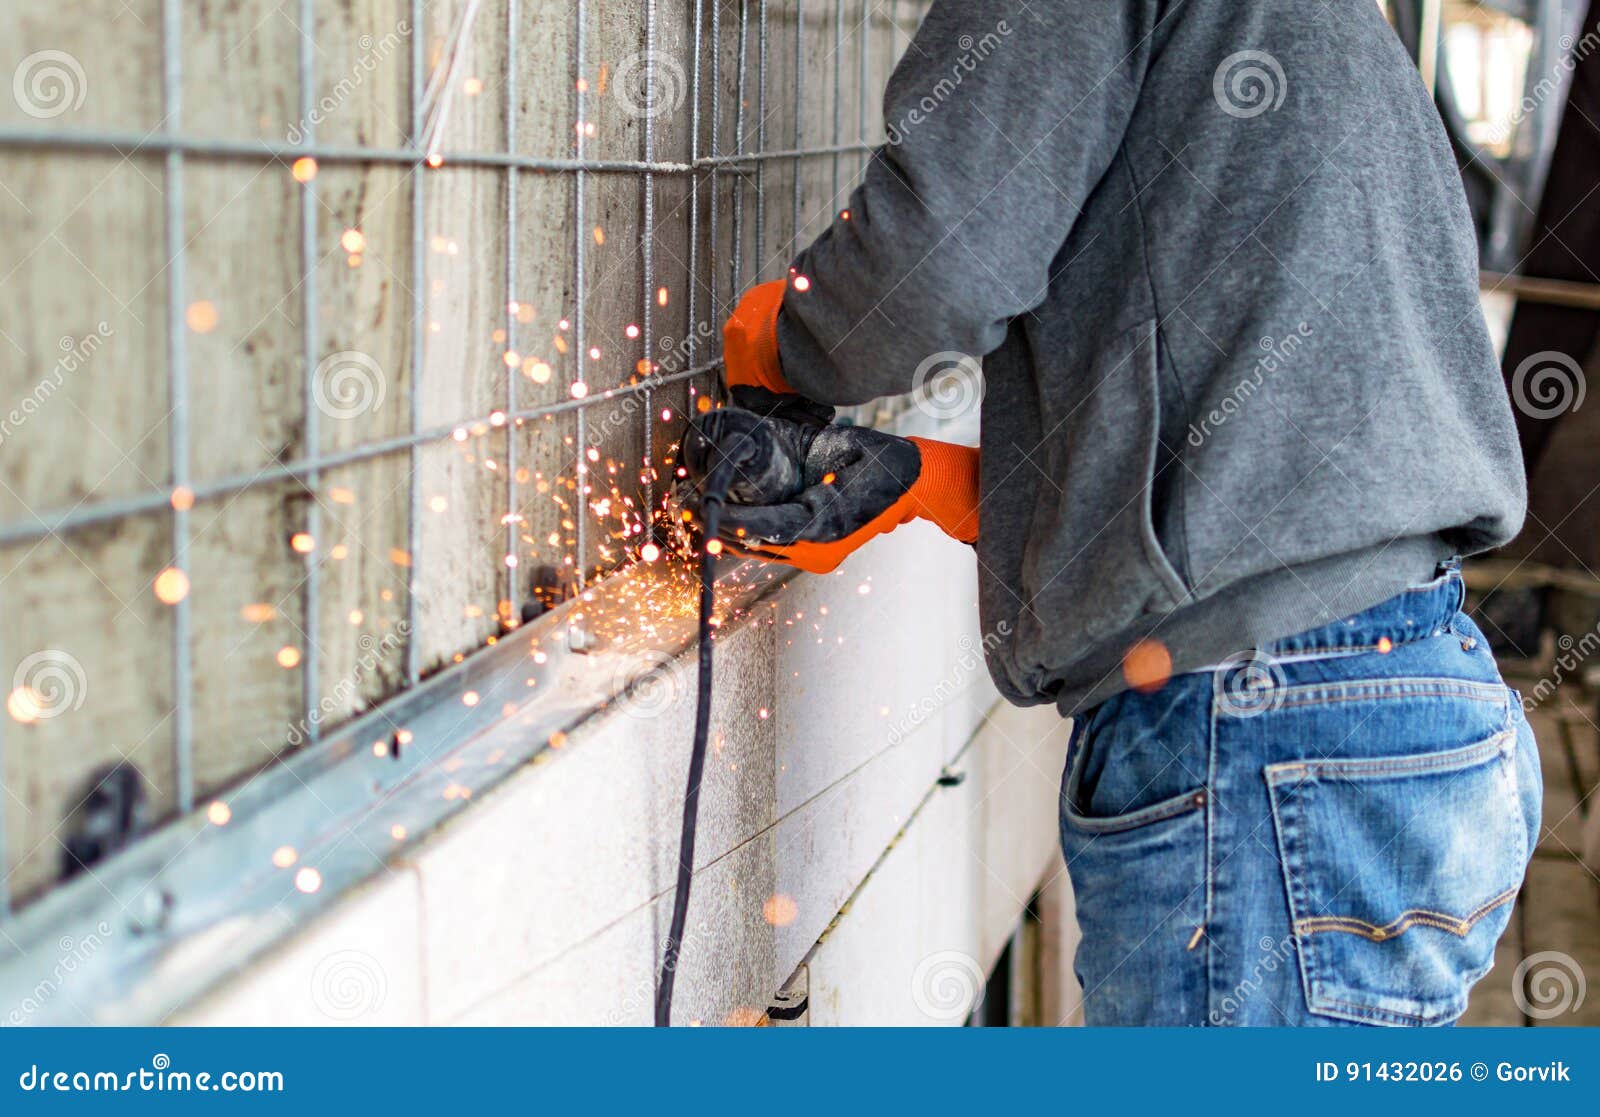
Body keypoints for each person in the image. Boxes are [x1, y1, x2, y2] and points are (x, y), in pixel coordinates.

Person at [685, 1, 1541, 1026]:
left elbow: (934, 267)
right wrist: (920, 482)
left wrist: (783, 342)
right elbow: (1240, 449)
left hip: (1270, 746)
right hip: (1404, 716)